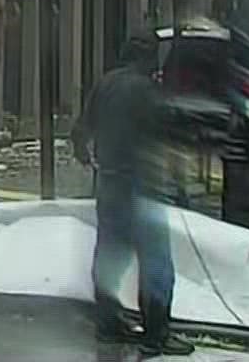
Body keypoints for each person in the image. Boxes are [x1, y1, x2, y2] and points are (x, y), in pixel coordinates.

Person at [73, 34, 192, 356]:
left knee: (111, 253)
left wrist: (93, 159)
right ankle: (156, 334)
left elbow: (80, 133)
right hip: (143, 186)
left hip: (110, 183)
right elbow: (164, 140)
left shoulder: (106, 84)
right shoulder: (147, 90)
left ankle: (108, 325)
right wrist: (176, 186)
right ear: (149, 57)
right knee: (155, 262)